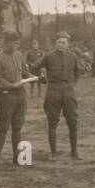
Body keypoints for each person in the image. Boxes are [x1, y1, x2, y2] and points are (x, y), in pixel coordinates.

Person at [28, 31, 82, 160]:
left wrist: (72, 84)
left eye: (64, 42)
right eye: (59, 42)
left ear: (68, 43)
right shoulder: (48, 56)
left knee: (72, 121)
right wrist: (41, 77)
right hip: (53, 90)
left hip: (68, 91)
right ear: (56, 43)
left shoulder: (73, 56)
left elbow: (77, 71)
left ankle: (74, 151)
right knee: (52, 121)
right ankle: (53, 153)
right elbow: (33, 68)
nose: (61, 45)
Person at [0, 31, 31, 166]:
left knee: (17, 127)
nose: (17, 45)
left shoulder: (19, 55)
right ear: (6, 43)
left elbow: (24, 72)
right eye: (15, 43)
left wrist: (35, 77)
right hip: (7, 96)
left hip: (21, 95)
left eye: (18, 43)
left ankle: (17, 157)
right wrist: (11, 85)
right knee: (3, 127)